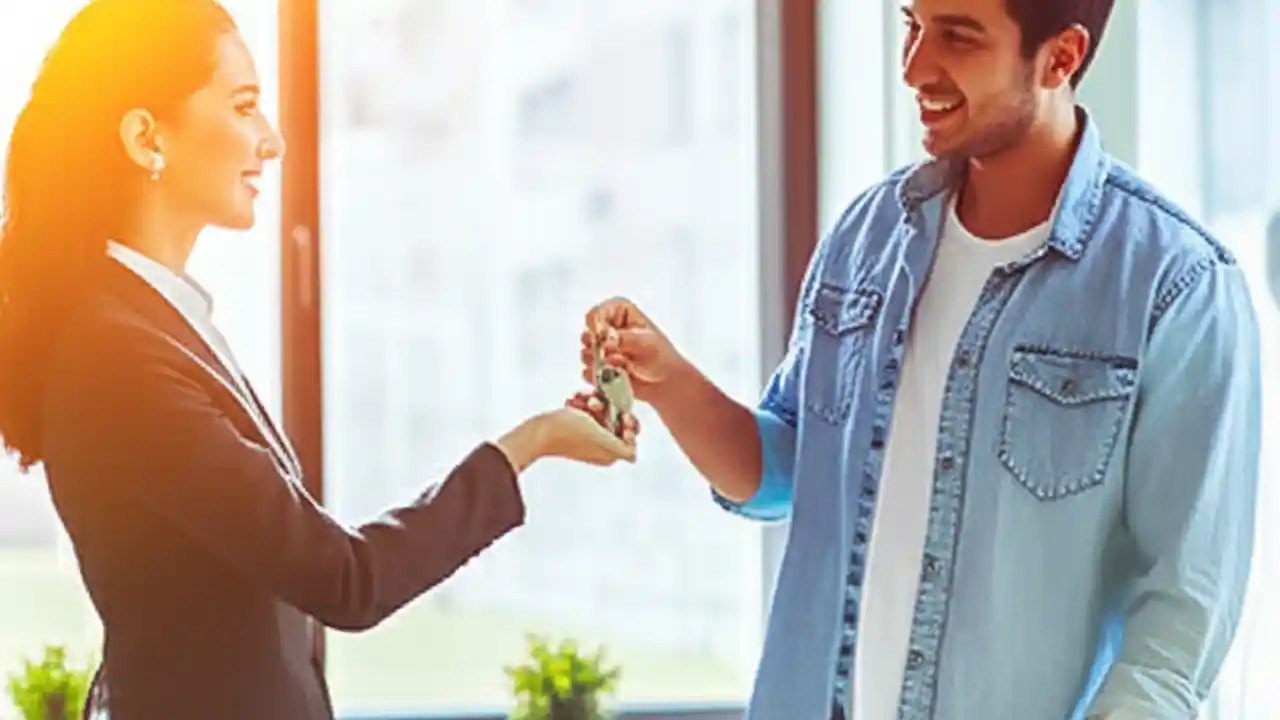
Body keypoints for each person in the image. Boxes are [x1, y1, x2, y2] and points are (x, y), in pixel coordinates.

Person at [575, 0, 1262, 718]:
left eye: (957, 36)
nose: (913, 67)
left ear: (1060, 57)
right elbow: (789, 471)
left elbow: (1177, 631)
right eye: (911, 25)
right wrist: (669, 380)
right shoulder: (868, 235)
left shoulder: (1176, 287)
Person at [0, 1, 639, 718]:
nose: (272, 141)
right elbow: (346, 580)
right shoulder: (117, 354)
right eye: (243, 106)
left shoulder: (158, 327)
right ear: (147, 136)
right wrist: (533, 442)